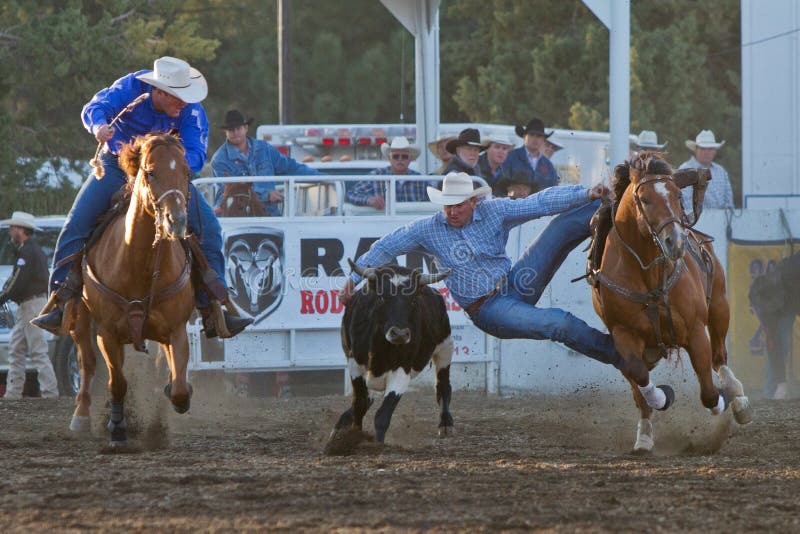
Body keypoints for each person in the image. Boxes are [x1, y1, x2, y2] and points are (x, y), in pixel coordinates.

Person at [32, 57, 252, 339]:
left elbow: (196, 155)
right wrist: (99, 127)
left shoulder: (190, 110)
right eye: (177, 97)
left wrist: (167, 160)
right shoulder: (131, 87)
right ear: (158, 91)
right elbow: (94, 108)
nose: (183, 103)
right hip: (117, 166)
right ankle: (61, 302)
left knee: (210, 229)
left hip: (166, 176)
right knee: (76, 224)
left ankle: (215, 307)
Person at [339, 172, 628, 372]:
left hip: (516, 282)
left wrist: (585, 192)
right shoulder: (426, 229)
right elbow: (384, 247)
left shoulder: (494, 211)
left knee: (566, 222)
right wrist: (352, 281)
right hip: (489, 309)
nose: (452, 211)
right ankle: (622, 356)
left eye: (459, 205)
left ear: (473, 202)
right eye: (447, 205)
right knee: (559, 323)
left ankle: (626, 208)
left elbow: (537, 204)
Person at [211, 109, 319, 216]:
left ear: (246, 128)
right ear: (226, 132)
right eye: (230, 130)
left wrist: (321, 177)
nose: (235, 133)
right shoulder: (219, 160)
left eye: (238, 128)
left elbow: (290, 166)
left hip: (269, 213)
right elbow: (230, 191)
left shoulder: (264, 148)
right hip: (236, 217)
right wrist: (266, 195)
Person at [0, 212, 59, 399]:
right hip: (28, 306)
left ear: (21, 230)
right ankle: (13, 394)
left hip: (31, 306)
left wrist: (3, 296)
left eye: (13, 228)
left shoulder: (27, 252)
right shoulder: (33, 250)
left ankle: (50, 393)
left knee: (38, 351)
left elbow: (17, 280)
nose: (11, 232)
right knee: (16, 350)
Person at [749, 251, 800, 400]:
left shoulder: (789, 273)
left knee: (780, 344)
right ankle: (773, 390)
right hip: (784, 304)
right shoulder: (767, 307)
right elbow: (774, 345)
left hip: (787, 301)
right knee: (779, 344)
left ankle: (773, 390)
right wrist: (782, 382)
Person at [345, 136, 427, 210]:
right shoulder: (377, 176)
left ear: (410, 159)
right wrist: (370, 200)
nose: (400, 159)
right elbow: (351, 193)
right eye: (396, 156)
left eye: (404, 156)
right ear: (389, 158)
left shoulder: (420, 180)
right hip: (383, 225)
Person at [679, 130, 734, 216]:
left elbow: (728, 202)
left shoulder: (721, 171)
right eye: (703, 148)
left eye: (710, 148)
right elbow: (685, 203)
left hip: (720, 222)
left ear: (715, 151)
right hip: (693, 223)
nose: (707, 152)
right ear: (695, 150)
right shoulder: (685, 170)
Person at [498, 117, 559, 194]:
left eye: (539, 136)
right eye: (532, 134)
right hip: (514, 204)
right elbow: (500, 186)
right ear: (524, 136)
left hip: (540, 206)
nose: (535, 138)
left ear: (543, 139)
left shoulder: (548, 165)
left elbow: (553, 190)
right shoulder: (510, 157)